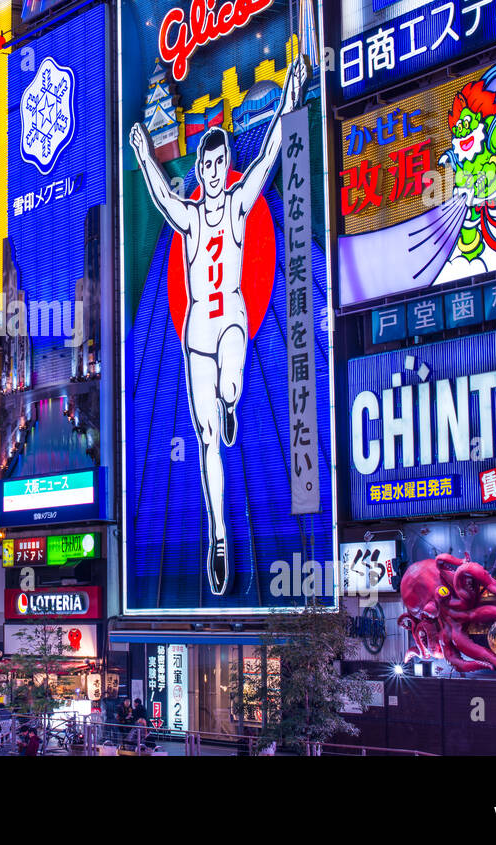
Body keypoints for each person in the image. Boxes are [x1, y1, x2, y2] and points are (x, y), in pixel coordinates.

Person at [127, 50, 310, 596]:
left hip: (230, 316)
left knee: (231, 380)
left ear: (223, 165)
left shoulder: (236, 205)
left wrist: (292, 94)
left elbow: (270, 155)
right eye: (204, 166)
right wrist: (143, 154)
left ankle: (232, 401)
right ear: (200, 171)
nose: (210, 172)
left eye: (216, 163)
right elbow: (162, 195)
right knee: (207, 439)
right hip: (195, 333)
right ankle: (219, 535)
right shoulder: (188, 217)